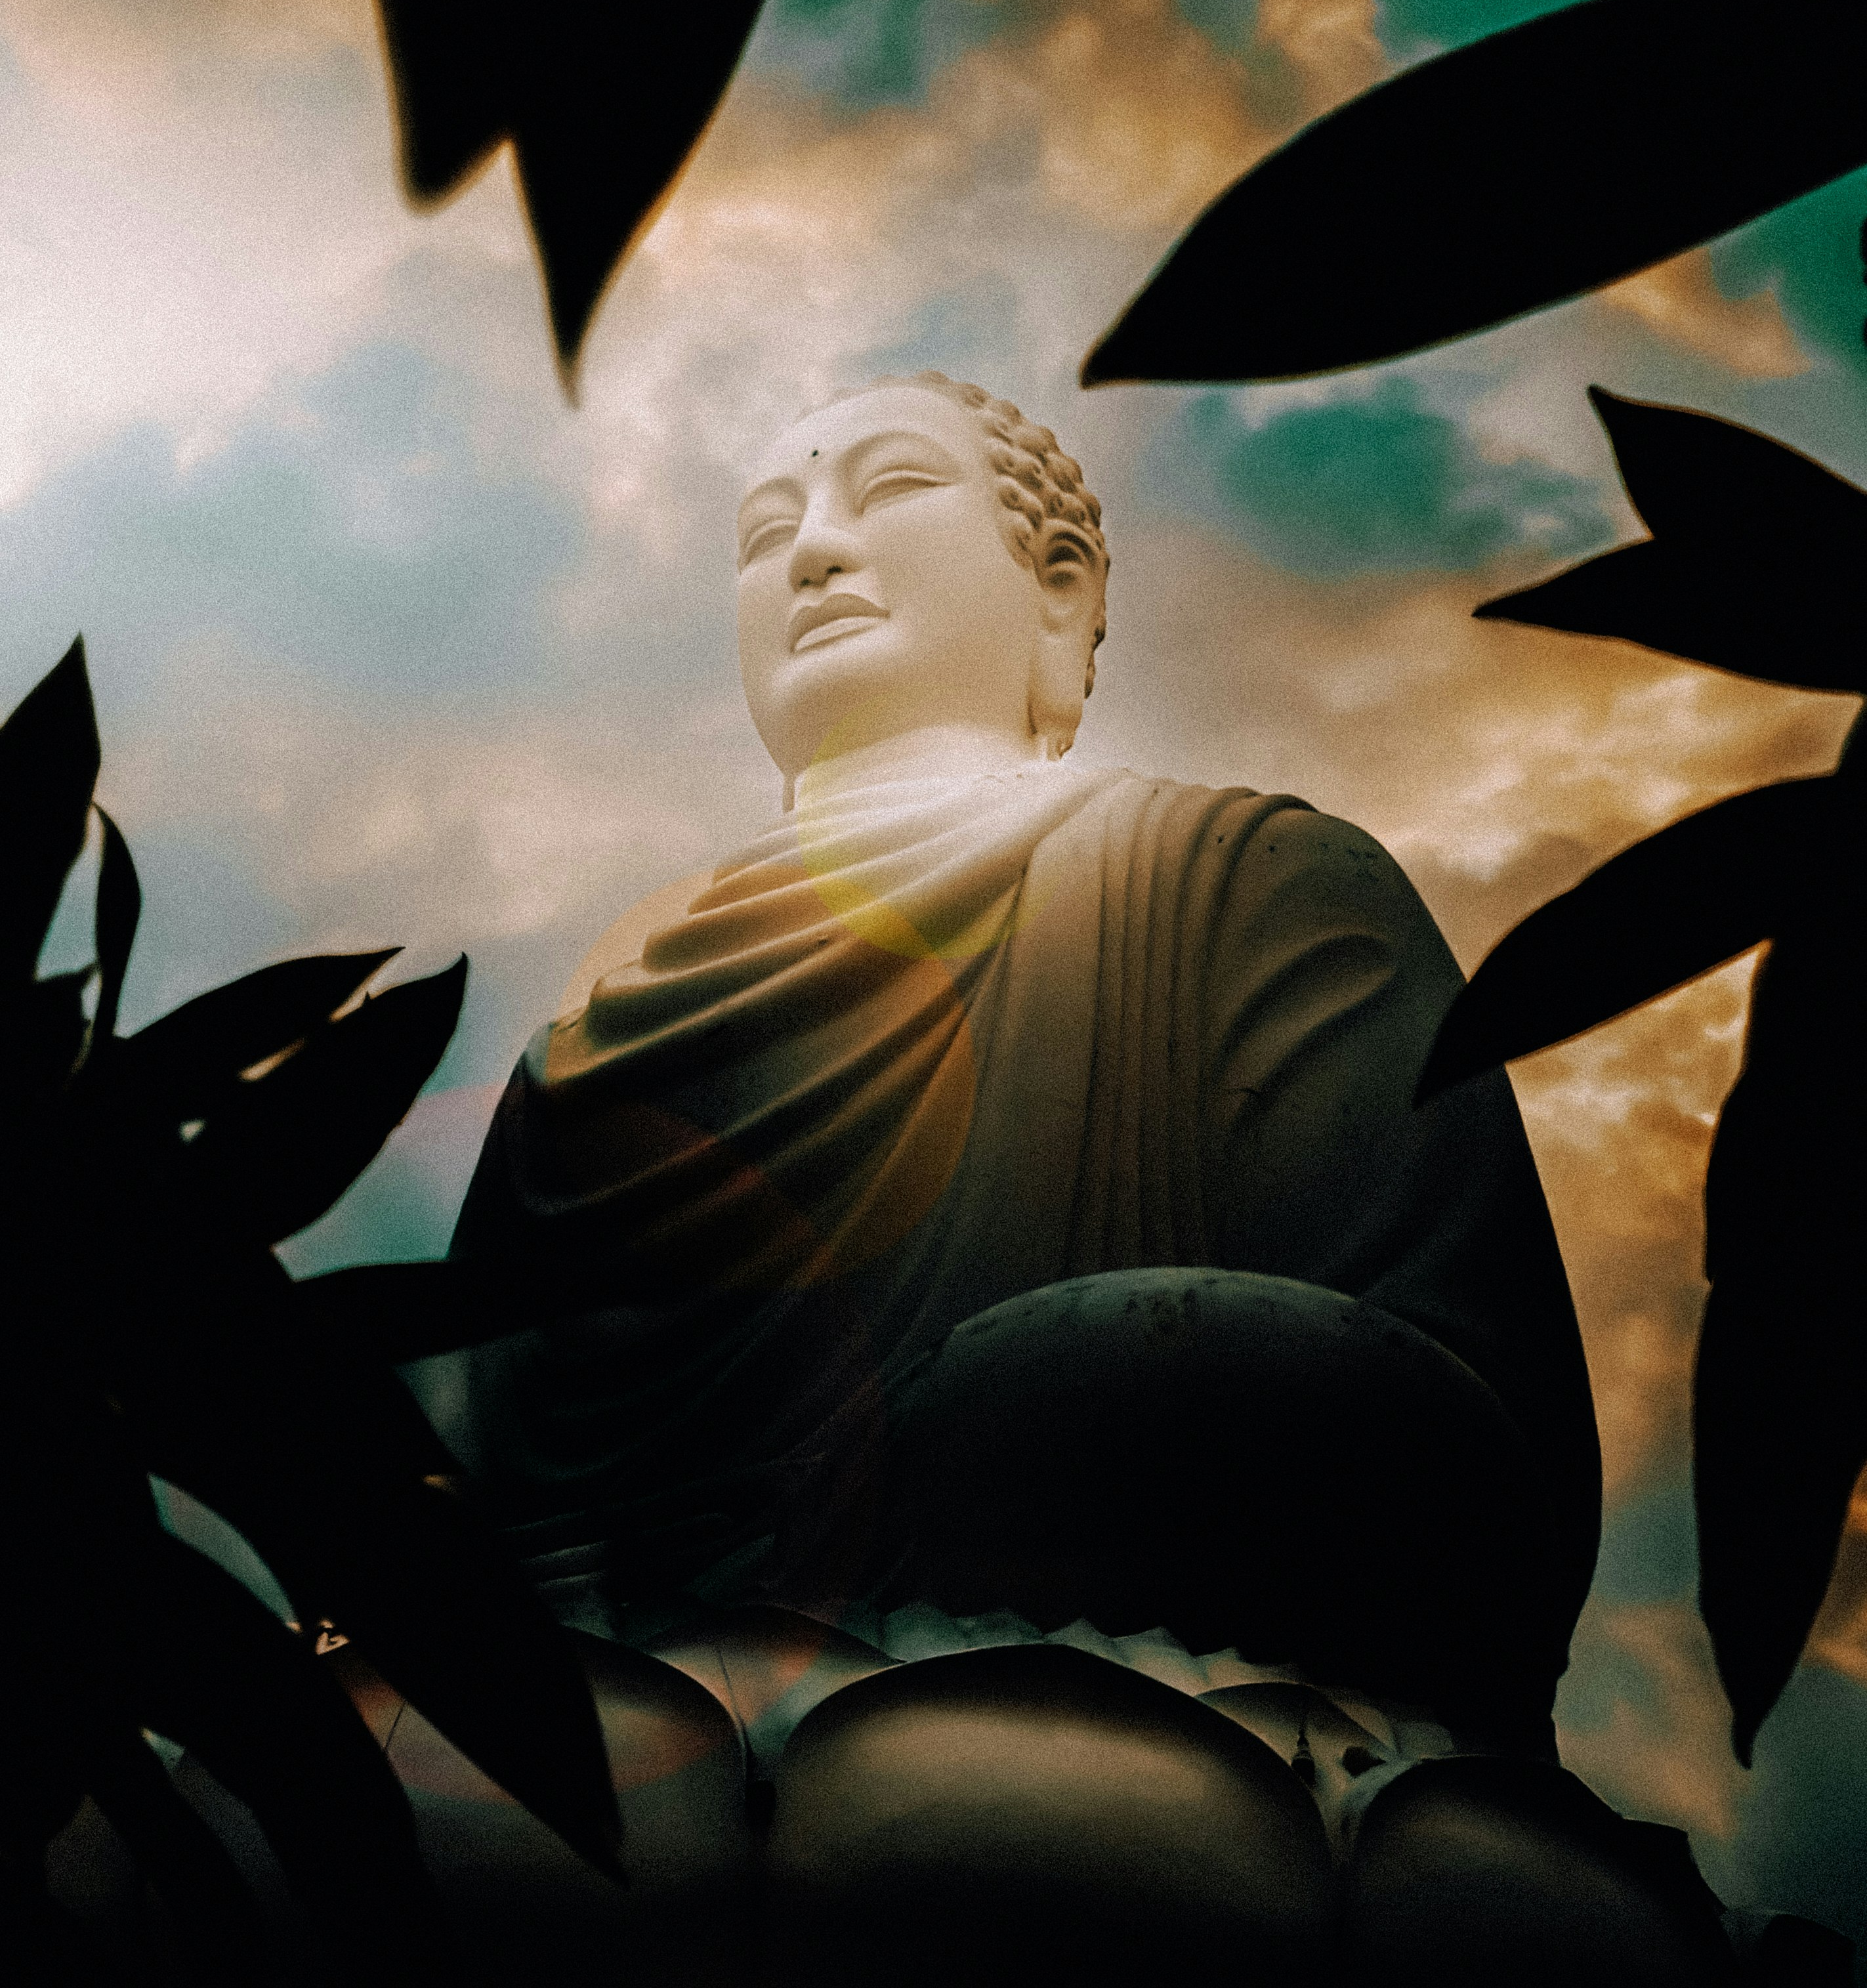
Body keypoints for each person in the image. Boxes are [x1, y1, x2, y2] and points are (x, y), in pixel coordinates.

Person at [439, 373, 1730, 1981]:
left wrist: (1062, 1400)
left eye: (886, 491)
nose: (815, 551)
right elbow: (471, 1501)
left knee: (1132, 1371)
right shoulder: (583, 1055)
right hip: (622, 1737)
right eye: (766, 533)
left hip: (1155, 1690)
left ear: (1058, 592)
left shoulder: (1242, 878)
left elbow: (1469, 1446)